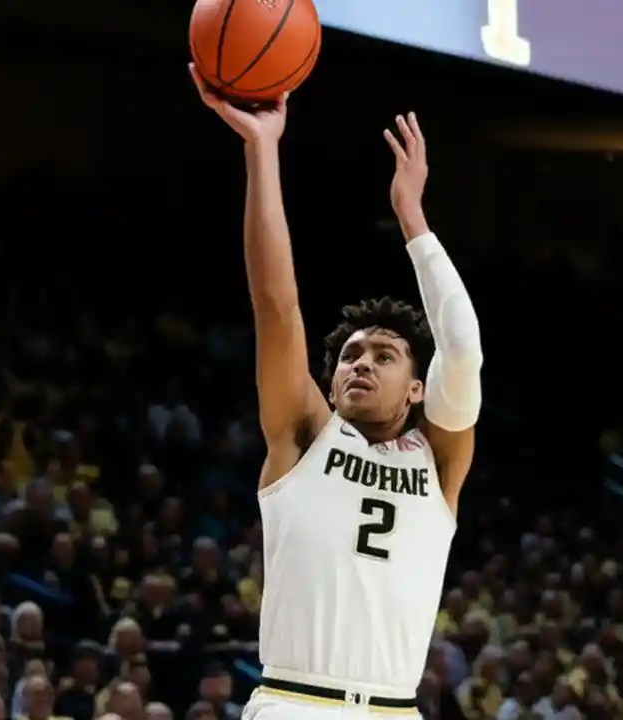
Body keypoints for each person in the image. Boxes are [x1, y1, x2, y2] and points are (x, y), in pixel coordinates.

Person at [189, 66, 483, 719]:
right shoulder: (302, 432)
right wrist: (261, 151)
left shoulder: (436, 464)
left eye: (383, 356)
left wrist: (414, 220)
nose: (361, 363)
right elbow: (275, 303)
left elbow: (462, 349)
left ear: (414, 390)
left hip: (394, 710)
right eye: (350, 354)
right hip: (295, 703)